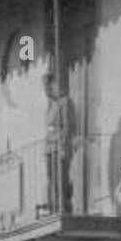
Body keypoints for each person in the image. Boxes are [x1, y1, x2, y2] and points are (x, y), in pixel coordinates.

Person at [43, 71, 76, 214]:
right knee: (52, 180)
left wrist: (63, 147)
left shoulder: (64, 102)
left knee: (61, 179)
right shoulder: (51, 106)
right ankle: (55, 207)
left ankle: (64, 208)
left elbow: (68, 127)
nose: (47, 91)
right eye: (45, 88)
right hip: (49, 148)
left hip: (59, 147)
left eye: (49, 87)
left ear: (55, 85)